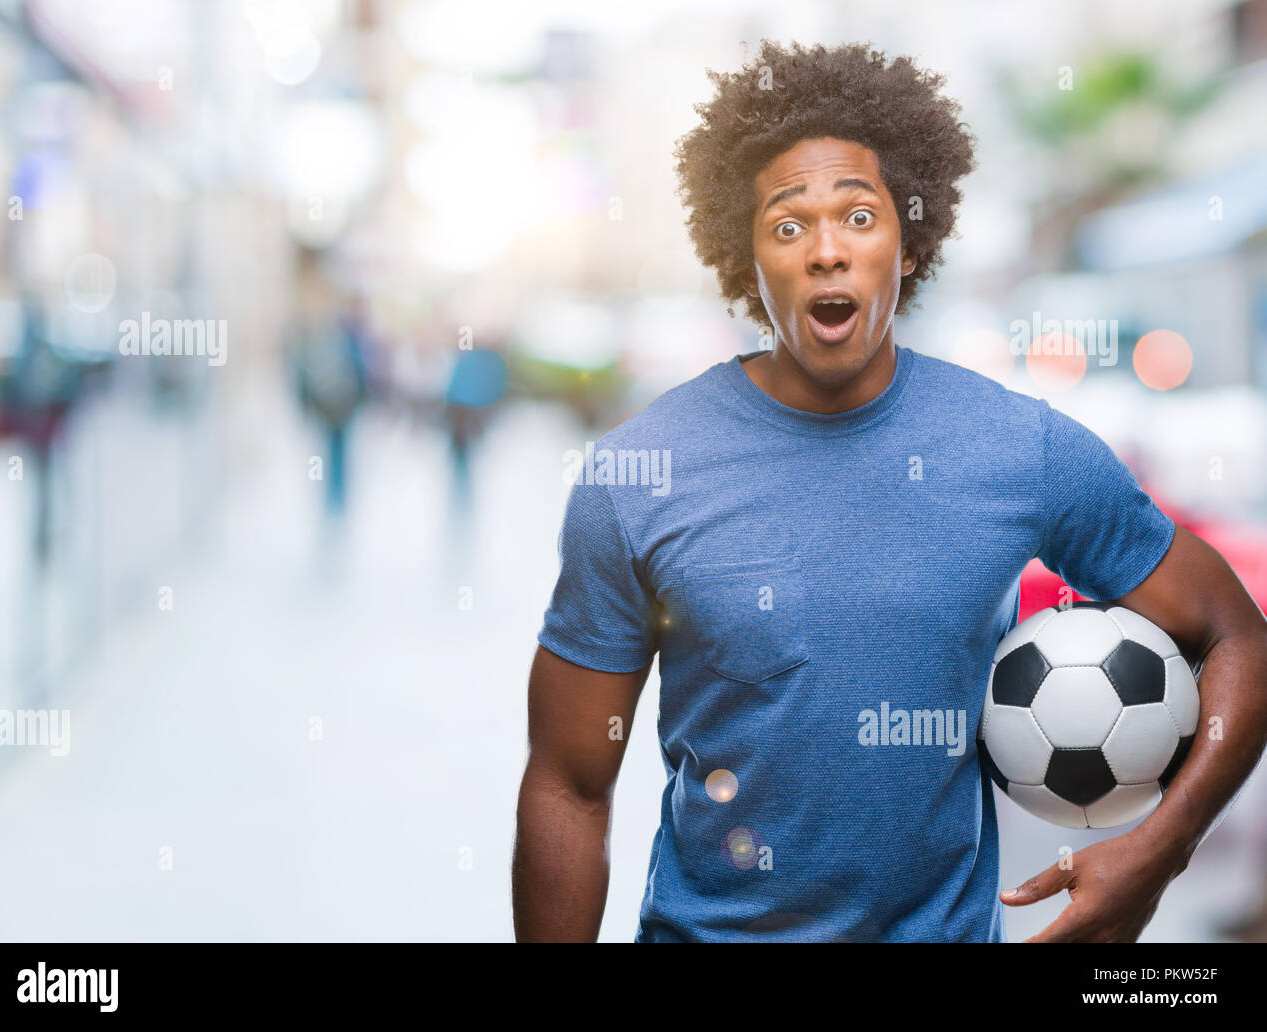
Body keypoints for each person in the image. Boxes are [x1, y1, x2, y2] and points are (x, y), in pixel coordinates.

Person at [511, 40, 1267, 942]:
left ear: (908, 246)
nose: (827, 252)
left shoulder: (1020, 448)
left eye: (859, 217)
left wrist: (1157, 852)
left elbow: (1237, 639)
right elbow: (567, 782)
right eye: (788, 226)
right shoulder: (638, 478)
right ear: (744, 260)